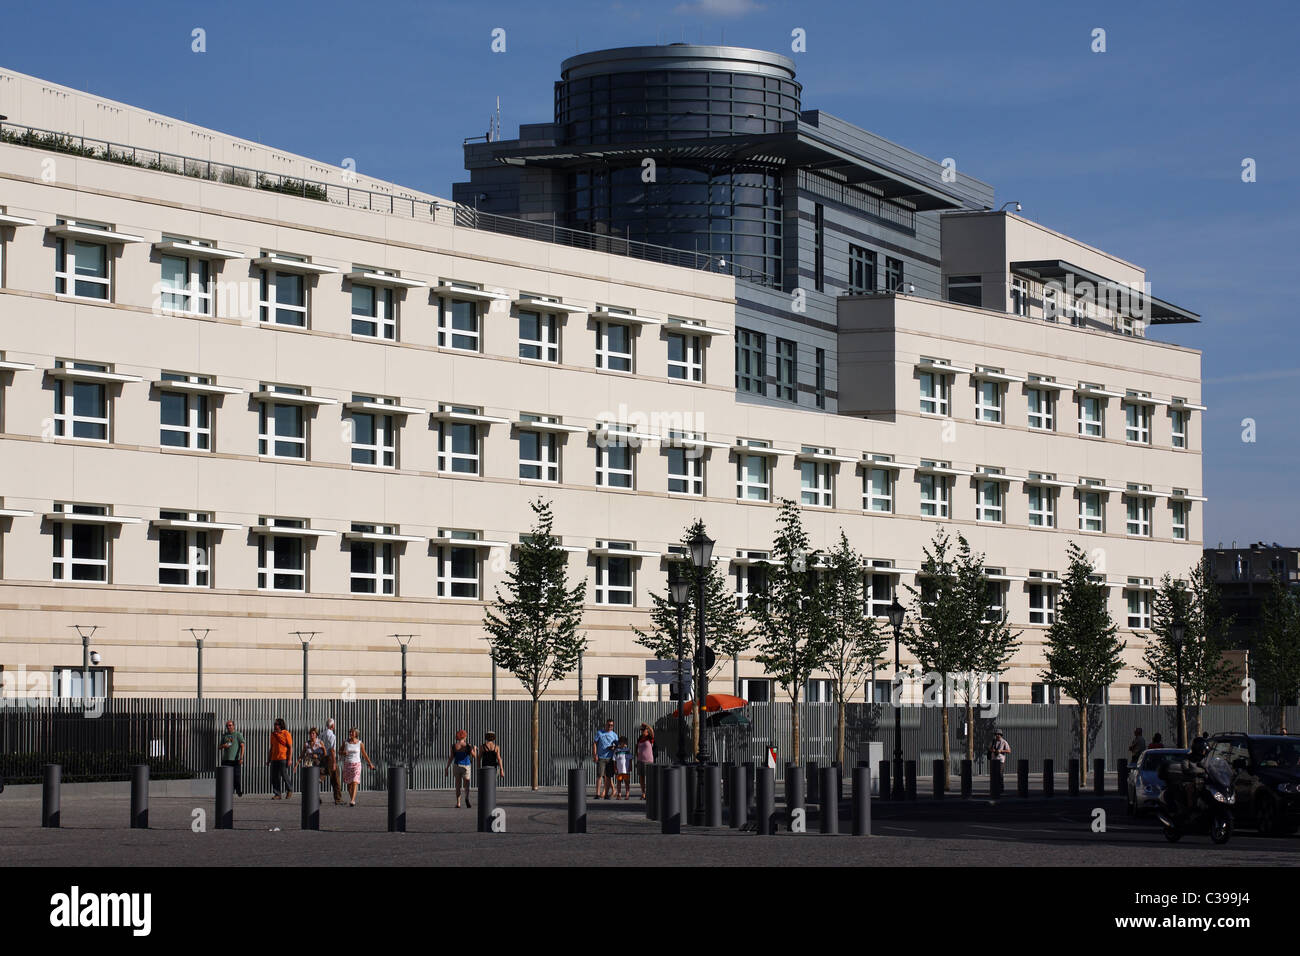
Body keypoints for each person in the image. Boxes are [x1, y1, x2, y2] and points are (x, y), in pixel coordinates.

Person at [341, 726, 376, 807]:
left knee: (355, 781)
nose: (350, 733)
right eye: (350, 732)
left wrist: (370, 763)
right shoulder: (345, 742)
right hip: (347, 764)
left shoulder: (360, 743)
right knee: (349, 784)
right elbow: (340, 751)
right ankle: (352, 799)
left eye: (352, 732)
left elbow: (364, 754)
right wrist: (343, 752)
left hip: (357, 764)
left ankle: (352, 800)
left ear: (356, 733)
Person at [445, 729, 477, 808]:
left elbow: (451, 758)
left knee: (458, 785)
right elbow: (474, 756)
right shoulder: (467, 746)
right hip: (466, 766)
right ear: (464, 737)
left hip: (456, 766)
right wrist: (474, 749)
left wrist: (447, 767)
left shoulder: (454, 746)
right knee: (467, 785)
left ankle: (458, 803)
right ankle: (466, 798)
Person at [592, 718, 619, 800]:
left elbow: (618, 746)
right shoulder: (600, 733)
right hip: (601, 757)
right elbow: (595, 743)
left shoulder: (614, 735)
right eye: (609, 725)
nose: (610, 726)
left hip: (610, 758)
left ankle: (606, 794)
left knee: (608, 777)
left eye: (611, 725)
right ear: (606, 725)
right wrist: (595, 754)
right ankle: (597, 794)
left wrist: (614, 747)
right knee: (599, 775)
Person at [218, 719, 245, 797]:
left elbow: (242, 746)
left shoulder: (238, 734)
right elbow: (219, 747)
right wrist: (223, 746)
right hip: (226, 760)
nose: (228, 727)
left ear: (233, 726)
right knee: (226, 777)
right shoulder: (225, 735)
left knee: (236, 776)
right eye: (227, 726)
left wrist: (241, 758)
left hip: (235, 760)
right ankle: (228, 792)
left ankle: (238, 790)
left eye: (230, 725)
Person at [268, 718, 293, 800]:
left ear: (280, 725)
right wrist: (268, 759)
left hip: (283, 758)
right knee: (274, 777)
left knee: (284, 775)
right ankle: (277, 794)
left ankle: (289, 789)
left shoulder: (286, 733)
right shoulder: (273, 734)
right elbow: (271, 747)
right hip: (274, 758)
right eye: (274, 724)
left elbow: (290, 747)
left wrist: (289, 759)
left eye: (276, 724)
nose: (275, 726)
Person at [320, 717, 342, 805]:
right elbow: (332, 750)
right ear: (332, 726)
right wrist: (334, 762)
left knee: (320, 777)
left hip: (322, 757)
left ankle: (315, 796)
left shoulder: (321, 734)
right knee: (335, 779)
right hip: (330, 758)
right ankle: (338, 799)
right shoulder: (332, 736)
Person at [635, 724, 655, 800]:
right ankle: (643, 793)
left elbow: (652, 731)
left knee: (649, 778)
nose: (642, 731)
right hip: (640, 760)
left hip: (648, 761)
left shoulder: (649, 738)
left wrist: (647, 725)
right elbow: (637, 746)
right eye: (641, 730)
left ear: (647, 730)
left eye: (643, 730)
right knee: (641, 777)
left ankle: (649, 793)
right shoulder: (640, 738)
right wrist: (637, 754)